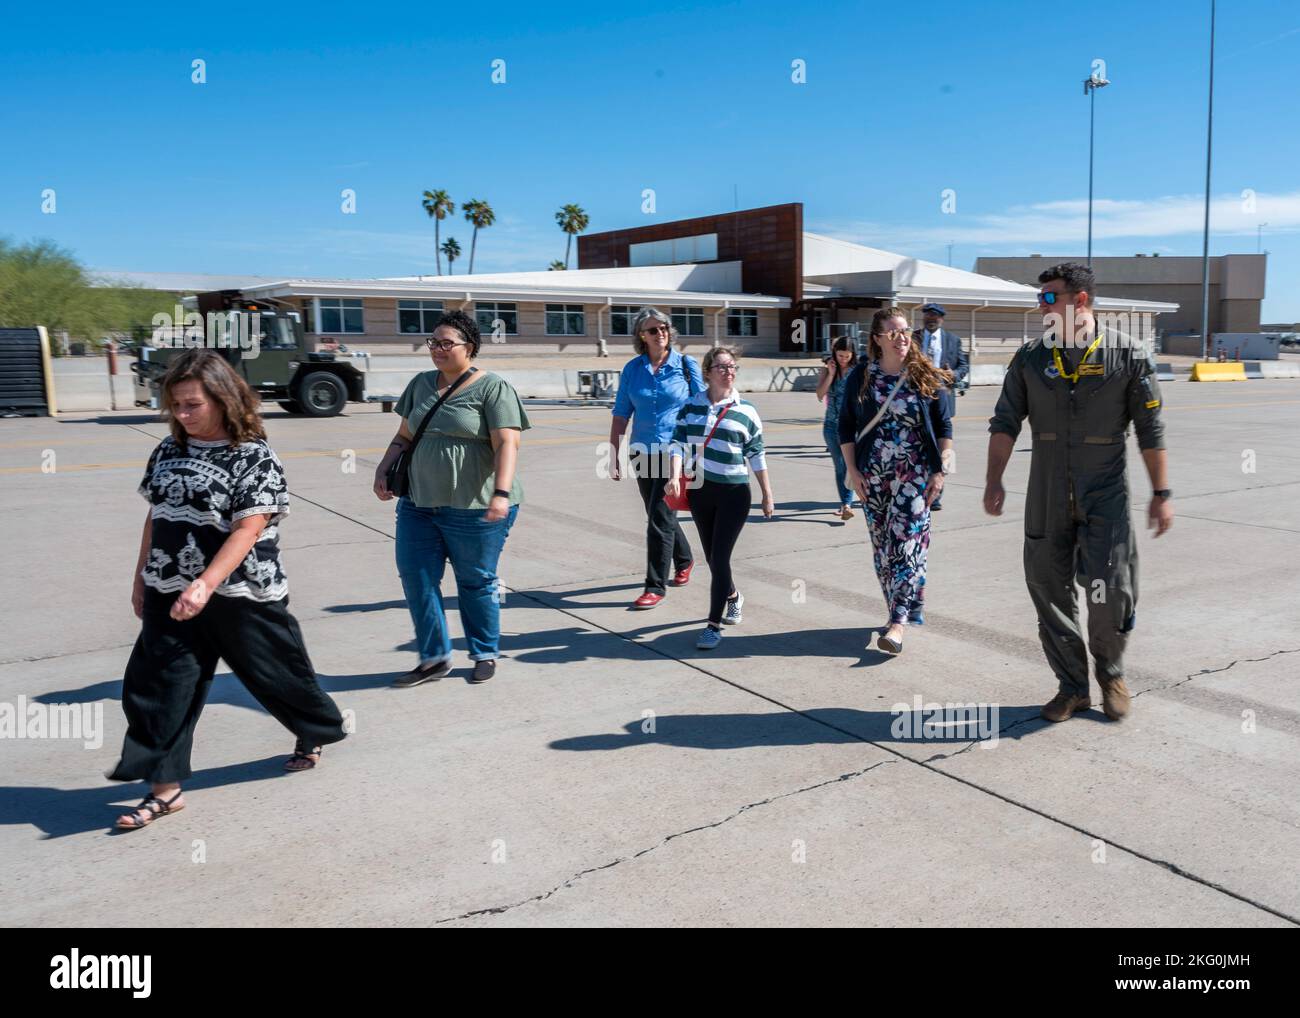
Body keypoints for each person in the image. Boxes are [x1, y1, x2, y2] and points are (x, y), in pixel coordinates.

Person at [110, 349, 347, 830]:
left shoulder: (253, 456)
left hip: (244, 593)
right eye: (175, 405)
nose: (181, 414)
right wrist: (141, 577)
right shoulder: (169, 450)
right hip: (168, 588)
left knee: (277, 675)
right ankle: (165, 789)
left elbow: (249, 527)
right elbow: (156, 515)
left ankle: (313, 729)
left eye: (192, 404)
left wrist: (205, 584)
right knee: (158, 687)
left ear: (222, 399)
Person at [984, 263, 1171, 723]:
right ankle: (1072, 687)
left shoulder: (1127, 356)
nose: (1040, 306)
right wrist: (994, 480)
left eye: (1049, 298)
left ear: (1079, 301)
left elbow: (1150, 429)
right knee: (1048, 589)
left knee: (1111, 590)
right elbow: (1005, 421)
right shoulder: (1030, 359)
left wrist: (1161, 492)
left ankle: (1110, 673)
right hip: (1046, 493)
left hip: (1105, 492)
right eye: (1040, 297)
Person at [373, 310, 530, 686]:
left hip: (475, 507)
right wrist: (382, 468)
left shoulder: (493, 388)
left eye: (447, 343)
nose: (437, 349)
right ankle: (434, 658)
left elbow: (508, 443)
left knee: (476, 581)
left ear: (469, 347)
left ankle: (484, 651)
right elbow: (404, 436)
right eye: (433, 342)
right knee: (417, 577)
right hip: (418, 504)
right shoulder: (420, 384)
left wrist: (501, 494)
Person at [838, 308, 953, 655]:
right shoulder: (862, 376)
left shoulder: (923, 375)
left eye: (905, 331)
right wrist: (852, 471)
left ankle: (898, 622)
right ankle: (902, 604)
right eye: (892, 332)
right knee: (883, 550)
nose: (901, 337)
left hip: (914, 475)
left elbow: (945, 427)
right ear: (877, 339)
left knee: (904, 543)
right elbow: (845, 426)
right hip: (873, 476)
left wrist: (940, 470)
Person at [665, 345, 774, 649]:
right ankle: (734, 596)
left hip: (735, 493)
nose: (729, 373)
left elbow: (756, 453)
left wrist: (767, 494)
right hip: (701, 492)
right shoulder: (691, 407)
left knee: (720, 556)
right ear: (708, 373)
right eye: (722, 368)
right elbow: (677, 444)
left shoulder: (746, 410)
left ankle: (713, 626)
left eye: (732, 367)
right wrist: (674, 476)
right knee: (714, 559)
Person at [608, 307, 705, 609]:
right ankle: (685, 558)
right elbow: (621, 413)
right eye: (653, 330)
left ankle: (655, 586)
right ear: (642, 335)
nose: (660, 333)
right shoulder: (632, 369)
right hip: (642, 452)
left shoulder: (686, 366)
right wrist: (614, 454)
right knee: (658, 515)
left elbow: (702, 410)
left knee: (659, 520)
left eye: (664, 328)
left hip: (675, 453)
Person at [912, 303, 968, 510]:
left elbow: (963, 366)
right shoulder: (912, 338)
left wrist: (951, 375)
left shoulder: (953, 340)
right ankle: (919, 487)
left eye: (935, 317)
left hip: (942, 398)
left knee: (944, 445)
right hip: (917, 399)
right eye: (927, 316)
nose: (930, 319)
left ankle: (938, 492)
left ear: (941, 319)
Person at [815, 336, 859, 520]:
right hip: (831, 426)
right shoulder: (827, 371)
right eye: (840, 355)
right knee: (840, 467)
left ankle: (853, 500)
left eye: (846, 356)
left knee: (852, 466)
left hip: (852, 427)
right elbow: (819, 394)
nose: (843, 359)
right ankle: (846, 504)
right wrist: (832, 374)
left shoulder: (857, 371)